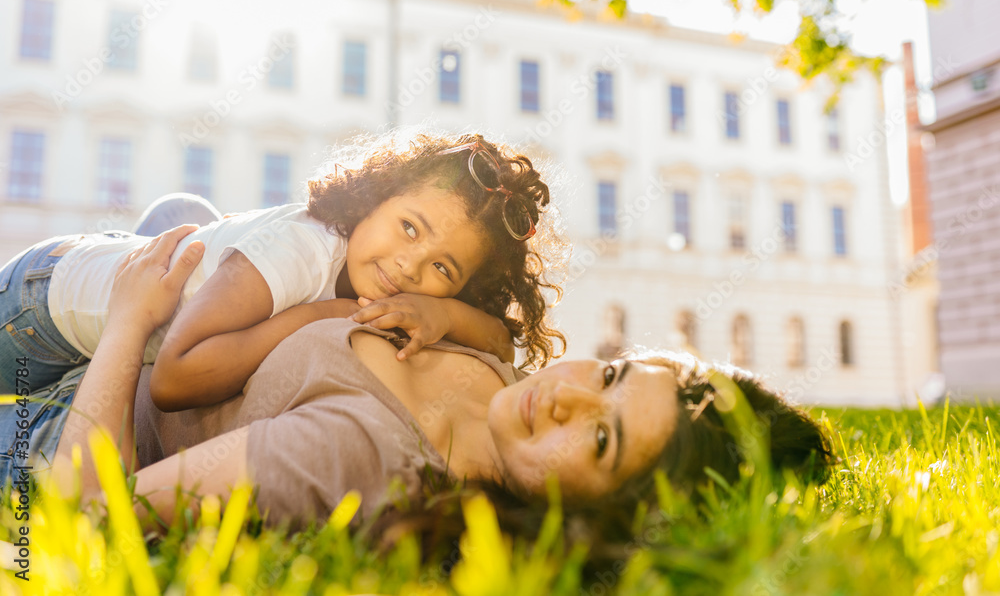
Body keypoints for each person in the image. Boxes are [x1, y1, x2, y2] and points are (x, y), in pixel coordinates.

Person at [0, 225, 833, 544]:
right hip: (141, 331)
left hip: (71, 414)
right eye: (612, 375)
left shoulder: (358, 460)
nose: (570, 395)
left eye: (603, 437)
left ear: (600, 517)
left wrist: (127, 323)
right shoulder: (498, 374)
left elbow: (88, 513)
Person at [0, 132, 566, 413]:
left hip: (141, 321)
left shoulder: (405, 283)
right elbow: (174, 381)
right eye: (410, 227)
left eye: (442, 267)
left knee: (194, 228)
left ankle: (204, 232)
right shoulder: (304, 248)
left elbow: (499, 343)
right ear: (376, 196)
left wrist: (441, 312)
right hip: (47, 303)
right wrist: (324, 314)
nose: (409, 266)